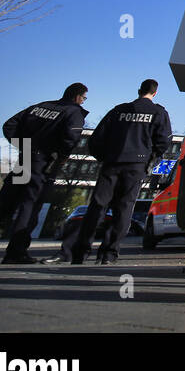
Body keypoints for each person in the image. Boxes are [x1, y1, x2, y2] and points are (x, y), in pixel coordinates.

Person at [0, 84, 89, 264]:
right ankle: (16, 252)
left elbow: (9, 125)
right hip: (44, 164)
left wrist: (24, 146)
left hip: (25, 161)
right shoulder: (73, 112)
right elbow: (70, 138)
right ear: (78, 96)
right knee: (29, 207)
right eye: (84, 98)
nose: (83, 101)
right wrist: (61, 156)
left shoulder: (40, 106)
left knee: (0, 207)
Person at [60, 79, 172, 264]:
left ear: (138, 90)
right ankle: (108, 254)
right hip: (136, 165)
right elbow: (163, 141)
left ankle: (80, 253)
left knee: (97, 207)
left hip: (112, 163)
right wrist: (150, 160)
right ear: (155, 93)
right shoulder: (158, 112)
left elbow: (97, 138)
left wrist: (105, 157)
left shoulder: (119, 110)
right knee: (124, 209)